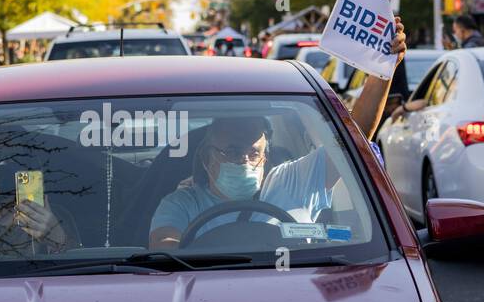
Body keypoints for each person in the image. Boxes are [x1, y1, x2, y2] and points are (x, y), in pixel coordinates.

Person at [149, 26, 407, 250]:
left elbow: (353, 139)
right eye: (231, 152)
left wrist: (382, 70)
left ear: (266, 156)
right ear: (206, 157)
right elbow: (166, 250)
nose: (243, 161)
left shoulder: (292, 181)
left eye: (253, 153)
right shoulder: (181, 204)